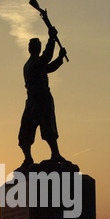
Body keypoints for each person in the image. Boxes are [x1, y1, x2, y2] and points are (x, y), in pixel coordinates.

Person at [17, 26, 68, 171]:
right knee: (26, 131)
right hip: (35, 100)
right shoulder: (32, 64)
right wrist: (51, 38)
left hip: (41, 99)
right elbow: (46, 59)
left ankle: (55, 154)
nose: (37, 48)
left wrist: (59, 58)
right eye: (35, 46)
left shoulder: (35, 64)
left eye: (38, 46)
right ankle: (28, 158)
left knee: (47, 128)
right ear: (32, 49)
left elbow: (48, 67)